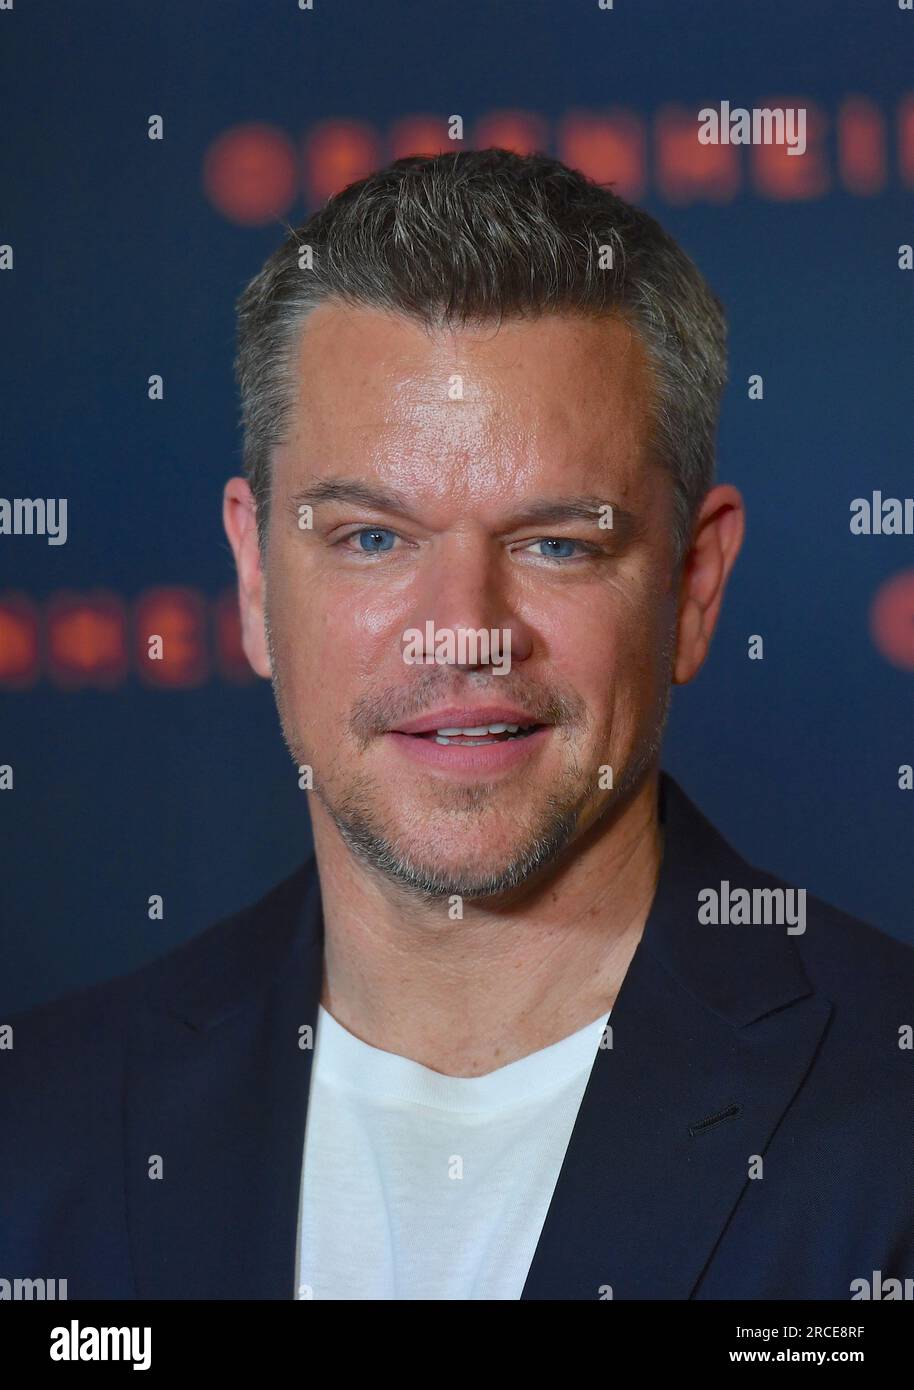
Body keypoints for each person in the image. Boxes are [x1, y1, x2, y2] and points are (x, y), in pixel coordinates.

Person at [2, 149, 911, 1301]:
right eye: (371, 537)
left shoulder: (887, 1124)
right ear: (251, 579)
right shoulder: (38, 1128)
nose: (461, 633)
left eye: (555, 545)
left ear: (689, 587)